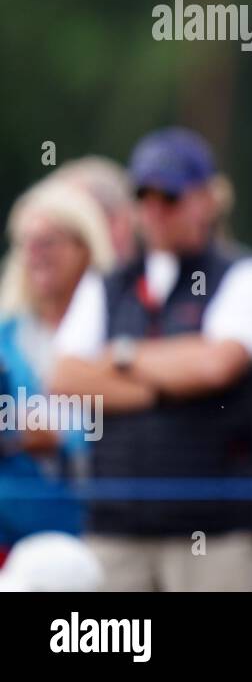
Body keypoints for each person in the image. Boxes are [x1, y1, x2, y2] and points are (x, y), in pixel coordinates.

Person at [48, 127, 252, 591]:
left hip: (215, 534)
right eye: (143, 197)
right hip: (115, 529)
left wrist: (121, 354)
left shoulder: (245, 274)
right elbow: (65, 376)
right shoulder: (107, 285)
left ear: (205, 200)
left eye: (169, 197)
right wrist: (169, 385)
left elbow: (216, 365)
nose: (153, 210)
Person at [0, 180, 115, 546]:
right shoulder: (8, 333)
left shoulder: (118, 324)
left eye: (48, 241)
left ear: (84, 247)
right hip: (15, 525)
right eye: (26, 243)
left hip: (101, 520)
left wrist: (60, 435)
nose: (35, 253)